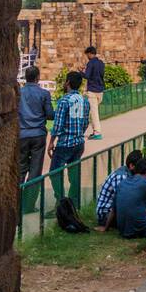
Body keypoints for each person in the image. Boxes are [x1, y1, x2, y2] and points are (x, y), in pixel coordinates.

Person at [48, 70, 91, 200]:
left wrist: (51, 142)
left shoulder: (64, 101)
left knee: (54, 173)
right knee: (74, 174)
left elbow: (57, 125)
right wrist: (78, 134)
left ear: (67, 82)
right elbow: (85, 123)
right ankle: (73, 201)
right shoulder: (84, 101)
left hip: (65, 143)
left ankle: (61, 201)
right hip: (79, 143)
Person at [18, 65, 54, 210]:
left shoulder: (19, 93)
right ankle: (28, 205)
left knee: (20, 169)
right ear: (38, 77)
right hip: (38, 134)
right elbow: (50, 114)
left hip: (22, 134)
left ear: (26, 77)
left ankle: (16, 202)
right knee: (35, 170)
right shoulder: (44, 93)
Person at [95, 150, 144, 230]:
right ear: (131, 166)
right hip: (105, 215)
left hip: (113, 211)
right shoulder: (121, 177)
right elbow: (124, 201)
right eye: (140, 167)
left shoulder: (128, 174)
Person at [82, 45, 105, 139]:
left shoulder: (90, 63)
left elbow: (87, 76)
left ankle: (97, 132)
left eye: (87, 54)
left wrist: (80, 72)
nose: (87, 56)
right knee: (95, 112)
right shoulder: (101, 63)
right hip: (100, 90)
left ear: (90, 54)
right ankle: (95, 130)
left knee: (94, 113)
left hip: (92, 90)